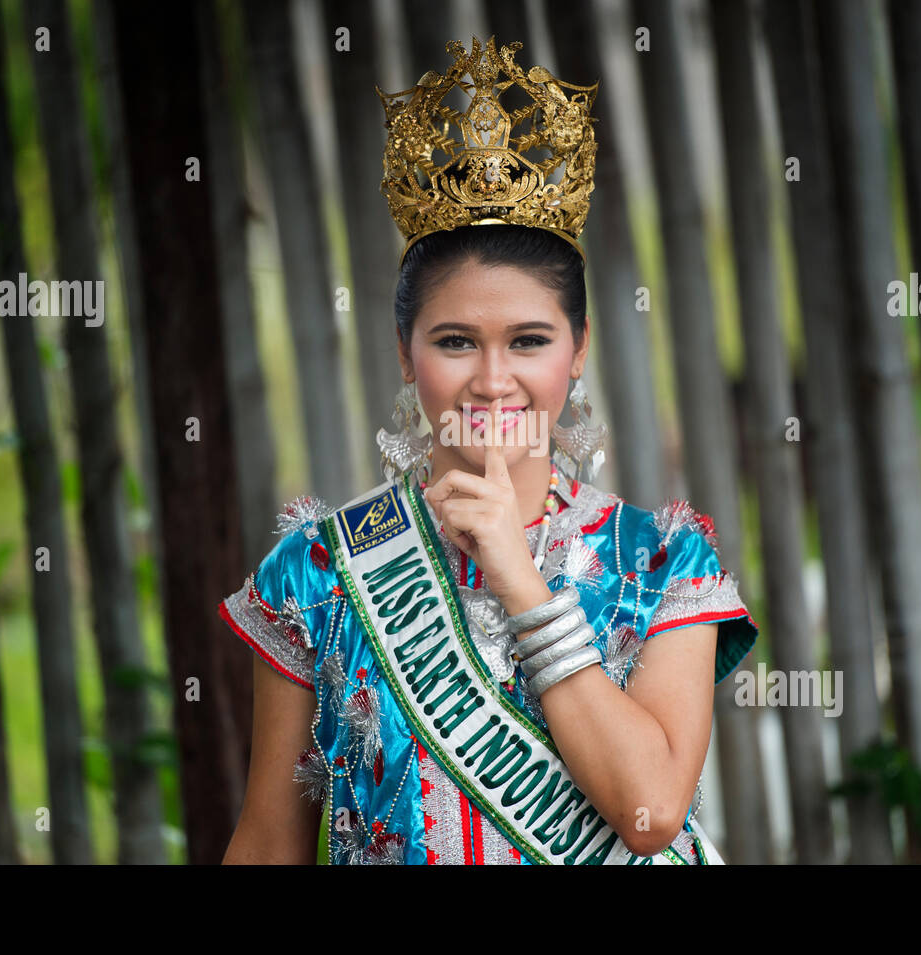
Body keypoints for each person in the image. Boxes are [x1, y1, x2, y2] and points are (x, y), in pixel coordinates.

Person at [219, 36, 757, 865]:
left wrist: (520, 579)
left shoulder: (663, 563)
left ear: (578, 350)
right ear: (406, 351)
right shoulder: (318, 573)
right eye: (457, 341)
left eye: (530, 340)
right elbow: (269, 840)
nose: (494, 380)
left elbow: (650, 814)